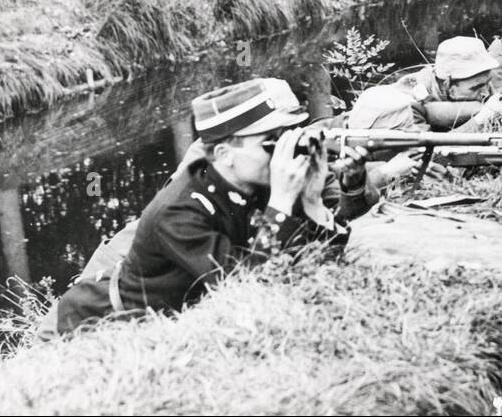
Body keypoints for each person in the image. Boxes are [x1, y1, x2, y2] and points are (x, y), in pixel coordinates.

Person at [45, 78, 365, 336]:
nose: (284, 153)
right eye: (271, 142)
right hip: (89, 324)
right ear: (225, 154)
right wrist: (281, 205)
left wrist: (311, 200)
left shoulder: (258, 182)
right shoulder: (179, 213)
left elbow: (314, 266)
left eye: (288, 138)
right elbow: (253, 289)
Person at [351, 36, 502, 133]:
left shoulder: (472, 83)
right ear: (446, 84)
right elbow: (430, 156)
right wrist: (480, 120)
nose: (485, 93)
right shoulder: (408, 103)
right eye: (476, 88)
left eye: (486, 83)